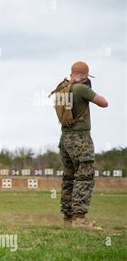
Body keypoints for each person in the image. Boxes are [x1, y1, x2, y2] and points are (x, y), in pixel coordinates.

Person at [55, 61, 108, 230]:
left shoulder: (63, 88)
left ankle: (68, 218)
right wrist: (88, 88)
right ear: (85, 74)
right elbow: (103, 102)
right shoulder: (81, 88)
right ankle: (79, 219)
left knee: (69, 178)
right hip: (80, 139)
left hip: (65, 139)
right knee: (84, 177)